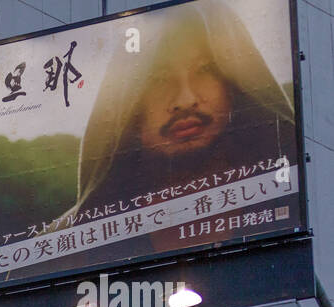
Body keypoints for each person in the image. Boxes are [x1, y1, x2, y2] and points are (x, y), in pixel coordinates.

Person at [60, 0, 296, 252]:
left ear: (233, 83)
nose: (185, 99)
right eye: (160, 78)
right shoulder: (66, 245)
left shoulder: (292, 201)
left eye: (205, 69)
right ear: (129, 107)